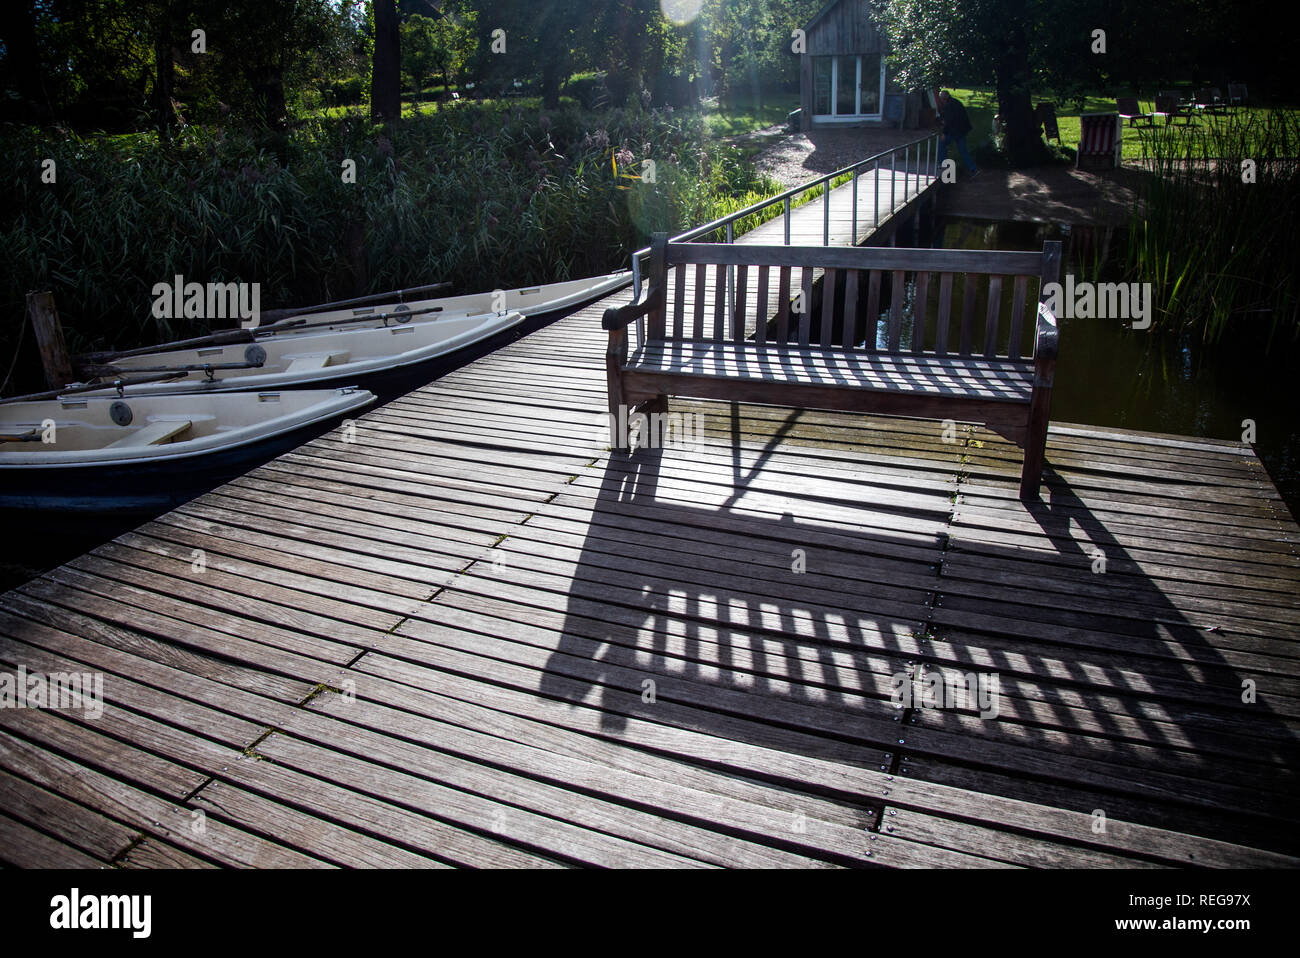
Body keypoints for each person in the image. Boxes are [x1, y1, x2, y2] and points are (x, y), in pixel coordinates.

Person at [936, 90, 978, 176]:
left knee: (942, 144)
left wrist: (944, 133)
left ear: (944, 98)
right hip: (961, 130)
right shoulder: (956, 103)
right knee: (963, 151)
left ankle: (942, 164)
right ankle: (973, 168)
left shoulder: (948, 106)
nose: (941, 100)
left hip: (954, 131)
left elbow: (949, 121)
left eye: (941, 99)